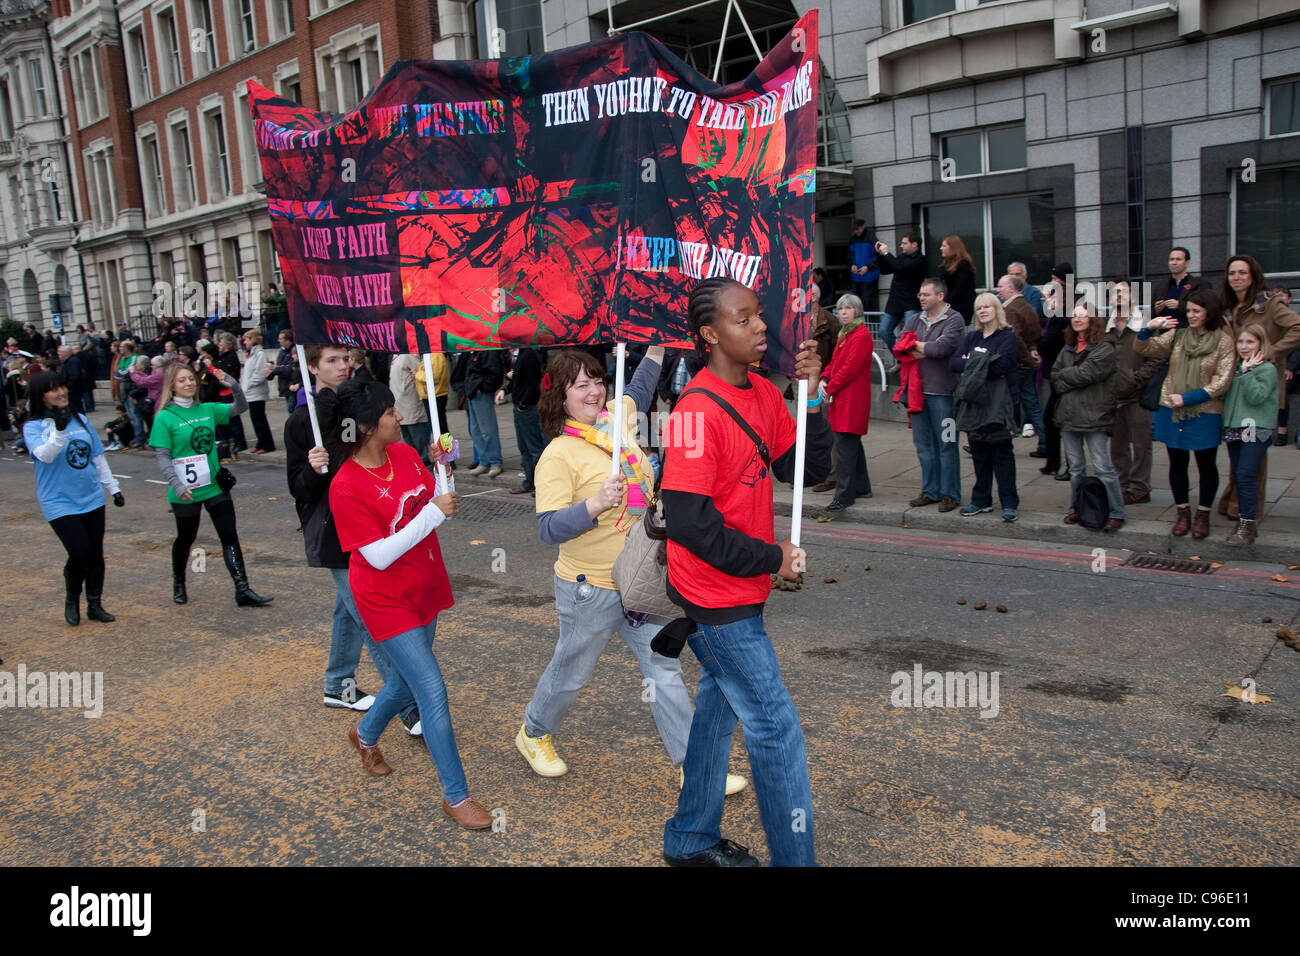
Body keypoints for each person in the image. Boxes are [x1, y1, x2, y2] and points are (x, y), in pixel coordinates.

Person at [516, 348, 747, 796]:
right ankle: (534, 732)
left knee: (664, 671)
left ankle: (693, 765)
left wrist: (655, 341)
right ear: (560, 397)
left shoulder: (617, 421)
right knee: (572, 672)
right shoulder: (559, 456)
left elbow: (639, 384)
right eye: (580, 384)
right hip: (590, 587)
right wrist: (594, 505)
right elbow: (547, 529)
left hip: (640, 581)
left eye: (597, 380)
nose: (594, 390)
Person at [661, 276, 830, 867]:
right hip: (713, 595)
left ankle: (689, 840)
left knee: (716, 711)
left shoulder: (761, 391)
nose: (761, 327)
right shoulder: (690, 412)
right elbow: (687, 523)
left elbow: (808, 472)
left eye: (759, 316)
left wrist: (811, 398)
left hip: (742, 585)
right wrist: (772, 558)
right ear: (710, 334)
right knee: (775, 730)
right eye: (744, 319)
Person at [329, 378, 494, 830]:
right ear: (366, 427)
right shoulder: (345, 486)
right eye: (389, 412)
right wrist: (434, 512)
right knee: (430, 689)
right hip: (384, 597)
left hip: (422, 583)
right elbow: (378, 554)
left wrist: (443, 464)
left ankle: (363, 735)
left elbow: (436, 498)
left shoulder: (402, 455)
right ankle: (456, 796)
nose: (399, 416)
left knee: (403, 681)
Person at [287, 345, 408, 723]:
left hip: (365, 522)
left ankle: (339, 684)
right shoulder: (302, 421)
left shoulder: (350, 408)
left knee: (348, 609)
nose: (343, 366)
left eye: (345, 359)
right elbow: (299, 489)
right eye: (331, 361)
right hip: (333, 532)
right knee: (372, 615)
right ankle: (407, 704)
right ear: (312, 367)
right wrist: (314, 469)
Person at [150, 360, 273, 606]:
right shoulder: (164, 417)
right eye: (182, 380)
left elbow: (240, 406)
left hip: (215, 486)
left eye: (191, 379)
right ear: (172, 386)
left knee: (229, 537)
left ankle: (243, 589)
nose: (188, 383)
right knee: (186, 539)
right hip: (185, 491)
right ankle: (179, 581)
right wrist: (177, 484)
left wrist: (233, 384)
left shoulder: (206, 409)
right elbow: (162, 456)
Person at [21, 371, 124, 625]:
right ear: (40, 396)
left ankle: (95, 604)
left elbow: (97, 456)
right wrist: (59, 429)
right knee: (79, 552)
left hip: (91, 496)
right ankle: (72, 597)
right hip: (58, 500)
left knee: (95, 553)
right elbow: (45, 455)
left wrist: (113, 487)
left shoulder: (80, 419)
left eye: (63, 386)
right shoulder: (32, 426)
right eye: (53, 389)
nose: (61, 392)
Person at [1135, 288, 1234, 539]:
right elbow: (1144, 348)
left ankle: (1202, 514)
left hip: (1205, 411)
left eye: (1196, 311)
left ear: (1209, 312)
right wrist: (1149, 326)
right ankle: (1182, 513)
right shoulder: (1178, 336)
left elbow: (1222, 381)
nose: (1190, 315)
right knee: (1177, 464)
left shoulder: (1224, 341)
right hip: (1172, 409)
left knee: (1206, 465)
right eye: (1188, 310)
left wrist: (1188, 398)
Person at [1052, 302, 1125, 531]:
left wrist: (1067, 377)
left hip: (1095, 416)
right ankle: (1077, 508)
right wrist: (1068, 378)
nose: (1076, 319)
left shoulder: (1104, 348)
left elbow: (1088, 373)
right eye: (1074, 316)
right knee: (1075, 468)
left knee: (1103, 468)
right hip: (1069, 416)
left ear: (1093, 319)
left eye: (1081, 316)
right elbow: (1054, 376)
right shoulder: (1068, 347)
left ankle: (1116, 512)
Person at [951, 293, 1020, 521]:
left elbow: (1002, 365)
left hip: (998, 405)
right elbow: (954, 363)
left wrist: (972, 361)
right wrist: (983, 360)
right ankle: (981, 501)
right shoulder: (972, 337)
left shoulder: (1006, 338)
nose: (982, 311)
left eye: (987, 307)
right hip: (974, 404)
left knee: (1002, 456)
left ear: (996, 309)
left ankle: (1009, 503)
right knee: (979, 455)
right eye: (979, 308)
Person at [901, 278, 965, 511]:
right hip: (917, 394)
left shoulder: (954, 319)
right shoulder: (914, 319)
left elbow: (942, 349)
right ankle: (930, 491)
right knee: (924, 446)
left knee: (947, 444)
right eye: (920, 294)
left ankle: (951, 493)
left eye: (926, 294)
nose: (921, 298)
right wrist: (926, 347)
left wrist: (916, 346)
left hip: (943, 394)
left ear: (940, 296)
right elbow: (901, 347)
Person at [1221, 324, 1278, 547]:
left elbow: (1256, 397)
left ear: (1261, 344)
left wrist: (1247, 373)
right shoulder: (1237, 365)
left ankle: (1247, 525)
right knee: (1239, 475)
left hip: (1253, 427)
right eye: (1241, 342)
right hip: (1235, 426)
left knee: (1245, 474)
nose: (1244, 347)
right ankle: (1245, 523)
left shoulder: (1266, 369)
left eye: (1250, 342)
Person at [1105, 280, 1161, 505]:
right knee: (1117, 446)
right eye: (1115, 292)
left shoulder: (1144, 326)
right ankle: (1122, 485)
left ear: (1134, 298)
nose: (1119, 296)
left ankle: (1140, 488)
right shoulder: (1105, 329)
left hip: (1138, 395)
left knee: (1141, 444)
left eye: (1124, 292)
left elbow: (1156, 358)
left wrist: (1136, 379)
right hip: (1113, 396)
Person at [820, 293, 873, 511]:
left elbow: (849, 369)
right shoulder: (846, 333)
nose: (843, 312)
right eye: (841, 308)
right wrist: (825, 377)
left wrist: (829, 386)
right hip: (844, 397)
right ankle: (862, 487)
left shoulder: (860, 335)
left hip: (852, 398)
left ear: (856, 311)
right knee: (851, 444)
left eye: (848, 308)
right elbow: (834, 363)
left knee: (845, 447)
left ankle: (844, 496)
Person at [997, 274, 1044, 448]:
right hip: (1025, 363)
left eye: (1001, 286)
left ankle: (999, 440)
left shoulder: (1011, 309)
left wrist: (1027, 358)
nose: (998, 290)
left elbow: (1014, 338)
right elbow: (1034, 334)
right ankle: (1045, 443)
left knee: (1004, 403)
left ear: (1011, 288)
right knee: (1032, 404)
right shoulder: (1026, 306)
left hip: (1017, 364)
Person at [874, 232, 925, 359]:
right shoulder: (902, 258)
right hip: (895, 301)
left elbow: (899, 267)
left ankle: (910, 360)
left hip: (911, 302)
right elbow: (886, 269)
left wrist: (886, 253)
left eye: (904, 243)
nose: (901, 246)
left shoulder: (920, 260)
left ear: (915, 245)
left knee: (909, 335)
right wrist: (880, 255)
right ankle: (900, 357)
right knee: (884, 331)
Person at [505, 346, 545, 495]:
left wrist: (524, 402)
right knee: (524, 447)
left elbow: (532, 383)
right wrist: (506, 390)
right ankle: (529, 482)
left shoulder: (528, 355)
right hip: (522, 405)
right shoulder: (523, 354)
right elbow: (520, 380)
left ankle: (538, 484)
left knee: (533, 447)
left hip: (527, 407)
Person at [462, 349, 506, 477]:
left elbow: (495, 373)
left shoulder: (485, 351)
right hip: (474, 392)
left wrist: (483, 388)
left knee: (487, 430)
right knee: (476, 430)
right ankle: (485, 461)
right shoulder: (475, 351)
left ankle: (494, 462)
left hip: (479, 392)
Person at [389, 353, 431, 466]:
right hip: (399, 402)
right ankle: (413, 460)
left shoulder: (409, 355)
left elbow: (420, 372)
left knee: (416, 433)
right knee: (407, 435)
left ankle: (424, 460)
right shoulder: (395, 356)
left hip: (411, 401)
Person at [1152, 247, 1211, 322]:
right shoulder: (1160, 287)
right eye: (1171, 259)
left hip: (1188, 330)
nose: (1174, 262)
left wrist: (1179, 305)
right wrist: (1156, 310)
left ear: (1187, 262)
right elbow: (1149, 316)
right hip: (1164, 331)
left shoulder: (1199, 284)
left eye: (1178, 259)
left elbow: (1207, 308)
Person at [239, 330, 274, 454]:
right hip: (251, 393)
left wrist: (248, 386)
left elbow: (259, 373)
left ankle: (267, 444)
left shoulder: (259, 354)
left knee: (259, 419)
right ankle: (260, 442)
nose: (245, 342)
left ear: (253, 339)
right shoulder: (251, 354)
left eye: (247, 339)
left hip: (256, 392)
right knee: (255, 419)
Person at [215, 332, 248, 458]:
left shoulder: (231, 357)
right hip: (222, 392)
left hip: (230, 391)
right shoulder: (222, 356)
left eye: (221, 342)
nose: (219, 344)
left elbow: (224, 373)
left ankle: (240, 442)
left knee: (234, 419)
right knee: (228, 419)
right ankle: (234, 439)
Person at [938, 236, 976, 324]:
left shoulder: (963, 265)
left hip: (960, 307)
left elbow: (960, 288)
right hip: (949, 305)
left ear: (953, 248)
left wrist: (946, 303)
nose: (941, 248)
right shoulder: (945, 265)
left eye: (944, 246)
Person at [266, 329, 299, 415]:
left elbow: (289, 368)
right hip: (285, 387)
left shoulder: (295, 351)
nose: (278, 340)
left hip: (292, 386)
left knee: (293, 412)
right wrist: (271, 371)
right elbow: (279, 366)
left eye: (281, 339)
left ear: (288, 340)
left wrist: (275, 368)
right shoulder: (282, 351)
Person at [847, 219, 879, 312]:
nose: (857, 231)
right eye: (855, 230)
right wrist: (852, 264)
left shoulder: (871, 238)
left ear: (863, 226)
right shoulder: (853, 239)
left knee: (867, 302)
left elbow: (878, 256)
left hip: (869, 277)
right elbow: (849, 256)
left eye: (858, 229)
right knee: (856, 303)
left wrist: (868, 267)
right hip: (857, 276)